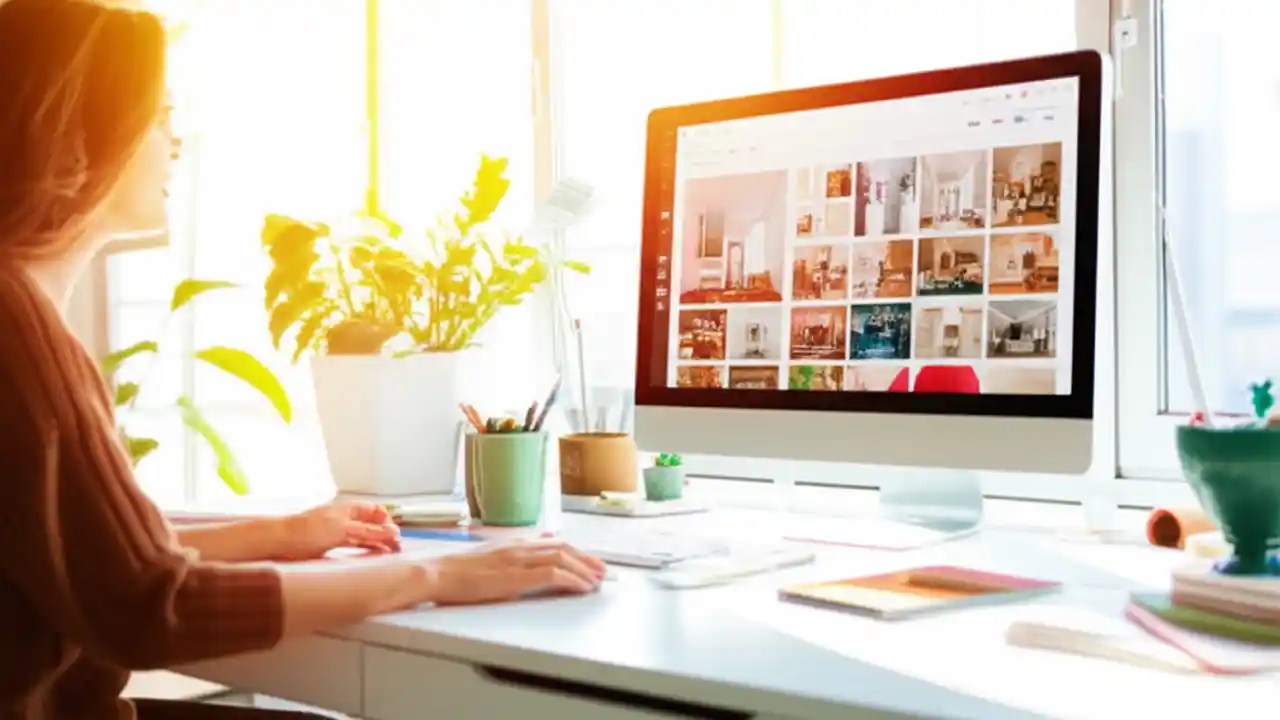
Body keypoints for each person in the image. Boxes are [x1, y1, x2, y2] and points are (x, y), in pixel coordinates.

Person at [0, 1, 605, 718]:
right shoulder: (20, 335)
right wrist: (438, 574)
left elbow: (97, 554)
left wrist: (282, 533)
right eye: (156, 116)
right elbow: (152, 606)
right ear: (72, 142)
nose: (177, 142)